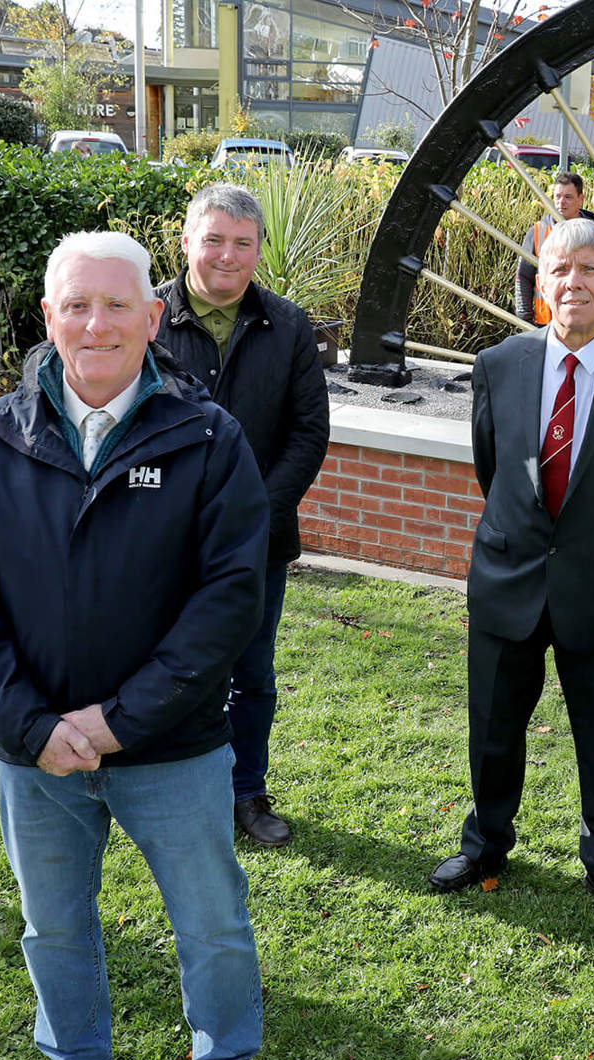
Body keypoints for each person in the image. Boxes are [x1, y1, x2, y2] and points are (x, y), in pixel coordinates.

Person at [0, 232, 270, 1060]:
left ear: (154, 319)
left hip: (172, 747)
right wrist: (30, 725)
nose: (96, 324)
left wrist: (119, 721)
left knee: (212, 924)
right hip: (35, 755)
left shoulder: (208, 439)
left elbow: (228, 599)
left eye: (117, 306)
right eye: (76, 304)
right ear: (49, 317)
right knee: (54, 927)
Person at [430, 218, 594, 927]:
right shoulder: (500, 364)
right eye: (559, 270)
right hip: (508, 577)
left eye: (587, 271)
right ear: (541, 284)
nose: (573, 283)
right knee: (492, 726)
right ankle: (485, 843)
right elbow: (494, 469)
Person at [154, 182, 330, 849]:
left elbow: (309, 433)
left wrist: (250, 514)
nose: (228, 255)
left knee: (251, 673)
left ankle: (246, 791)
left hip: (257, 544)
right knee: (167, 667)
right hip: (160, 540)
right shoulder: (146, 321)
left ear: (258, 249)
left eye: (243, 243)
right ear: (187, 240)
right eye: (215, 239)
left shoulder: (287, 325)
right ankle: (167, 787)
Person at [514, 172, 594, 324]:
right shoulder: (538, 232)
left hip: (587, 324)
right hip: (547, 322)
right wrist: (524, 315)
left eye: (568, 197)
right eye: (557, 196)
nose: (561, 202)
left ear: (581, 199)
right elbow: (523, 276)